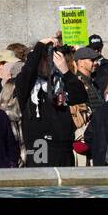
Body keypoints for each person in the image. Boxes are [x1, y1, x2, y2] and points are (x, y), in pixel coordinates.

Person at [16, 38, 85, 167]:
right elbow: (28, 71)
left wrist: (66, 71)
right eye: (44, 59)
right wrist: (41, 44)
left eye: (49, 58)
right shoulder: (26, 85)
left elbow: (80, 97)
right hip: (39, 148)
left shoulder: (60, 83)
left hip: (63, 147)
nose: (48, 62)